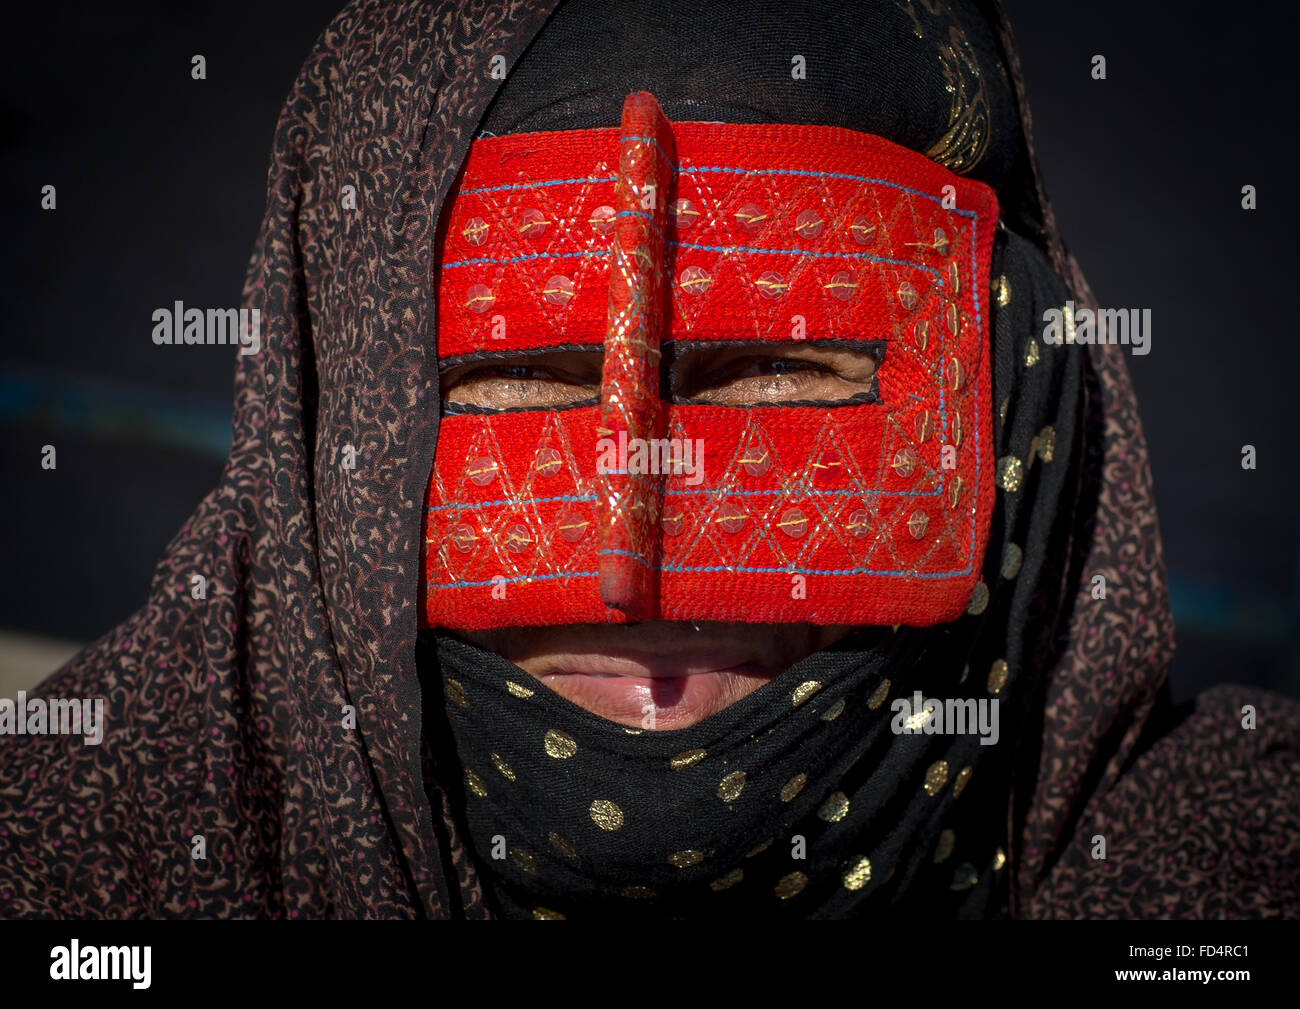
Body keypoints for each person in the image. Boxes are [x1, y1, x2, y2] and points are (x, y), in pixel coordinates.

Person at [2, 0, 1296, 920]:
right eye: (511, 382)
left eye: (787, 374)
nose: (635, 576)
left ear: (1020, 402)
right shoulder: (69, 859)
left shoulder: (1243, 867)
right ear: (336, 432)